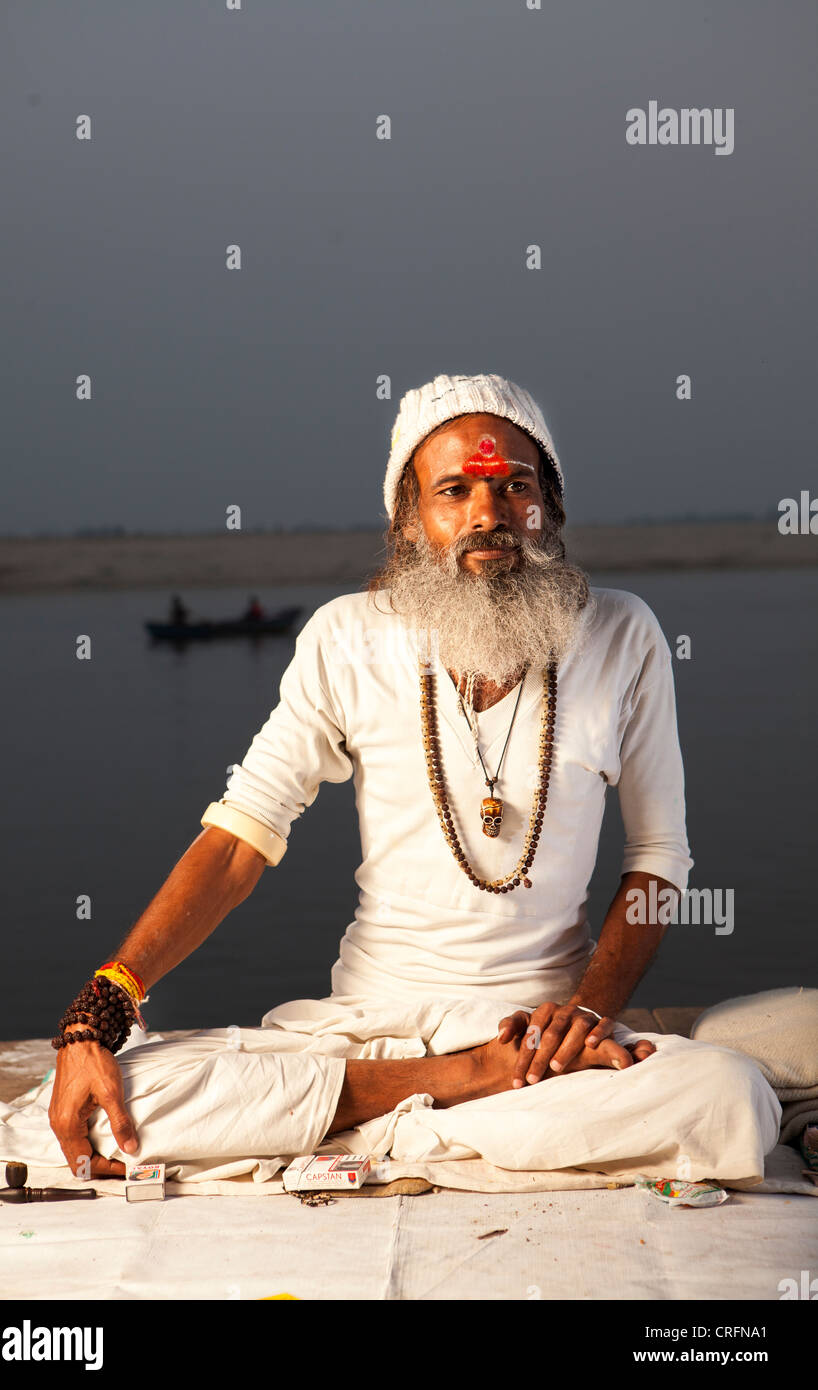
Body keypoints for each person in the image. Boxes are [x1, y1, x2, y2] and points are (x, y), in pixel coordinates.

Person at [48, 372, 779, 1181]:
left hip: (536, 1041)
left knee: (730, 1098)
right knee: (128, 1097)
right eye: (454, 490)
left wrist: (589, 1011)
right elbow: (239, 840)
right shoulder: (345, 639)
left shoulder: (622, 635)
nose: (487, 514)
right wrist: (102, 1006)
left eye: (515, 487)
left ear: (551, 509)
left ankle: (382, 1122)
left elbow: (659, 860)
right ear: (409, 522)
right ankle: (452, 1095)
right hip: (366, 1028)